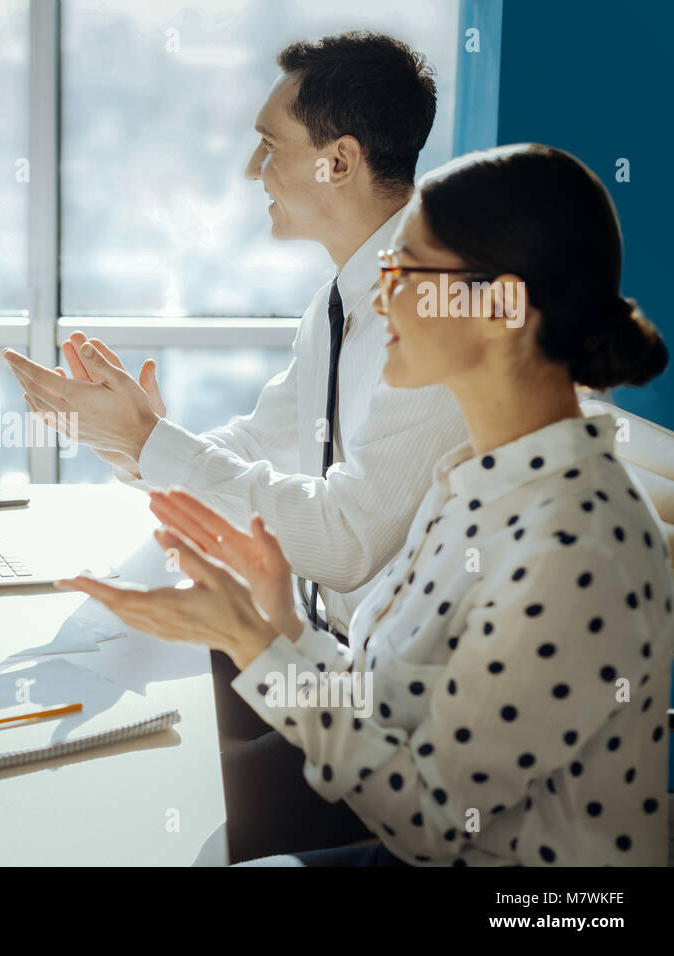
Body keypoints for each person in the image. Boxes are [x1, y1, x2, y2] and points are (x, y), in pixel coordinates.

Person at [61, 143, 672, 866]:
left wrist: (257, 644)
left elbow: (432, 824)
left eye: (406, 273)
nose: (382, 301)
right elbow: (384, 701)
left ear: (501, 305)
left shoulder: (570, 547)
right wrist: (278, 618)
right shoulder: (476, 475)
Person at [1, 33, 468, 734]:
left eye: (269, 146)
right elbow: (262, 441)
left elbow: (344, 542)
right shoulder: (339, 303)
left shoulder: (432, 316)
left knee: (113, 739)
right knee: (89, 682)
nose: (254, 171)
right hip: (316, 654)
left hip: (388, 709)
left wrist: (153, 443)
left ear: (337, 162)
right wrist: (133, 444)